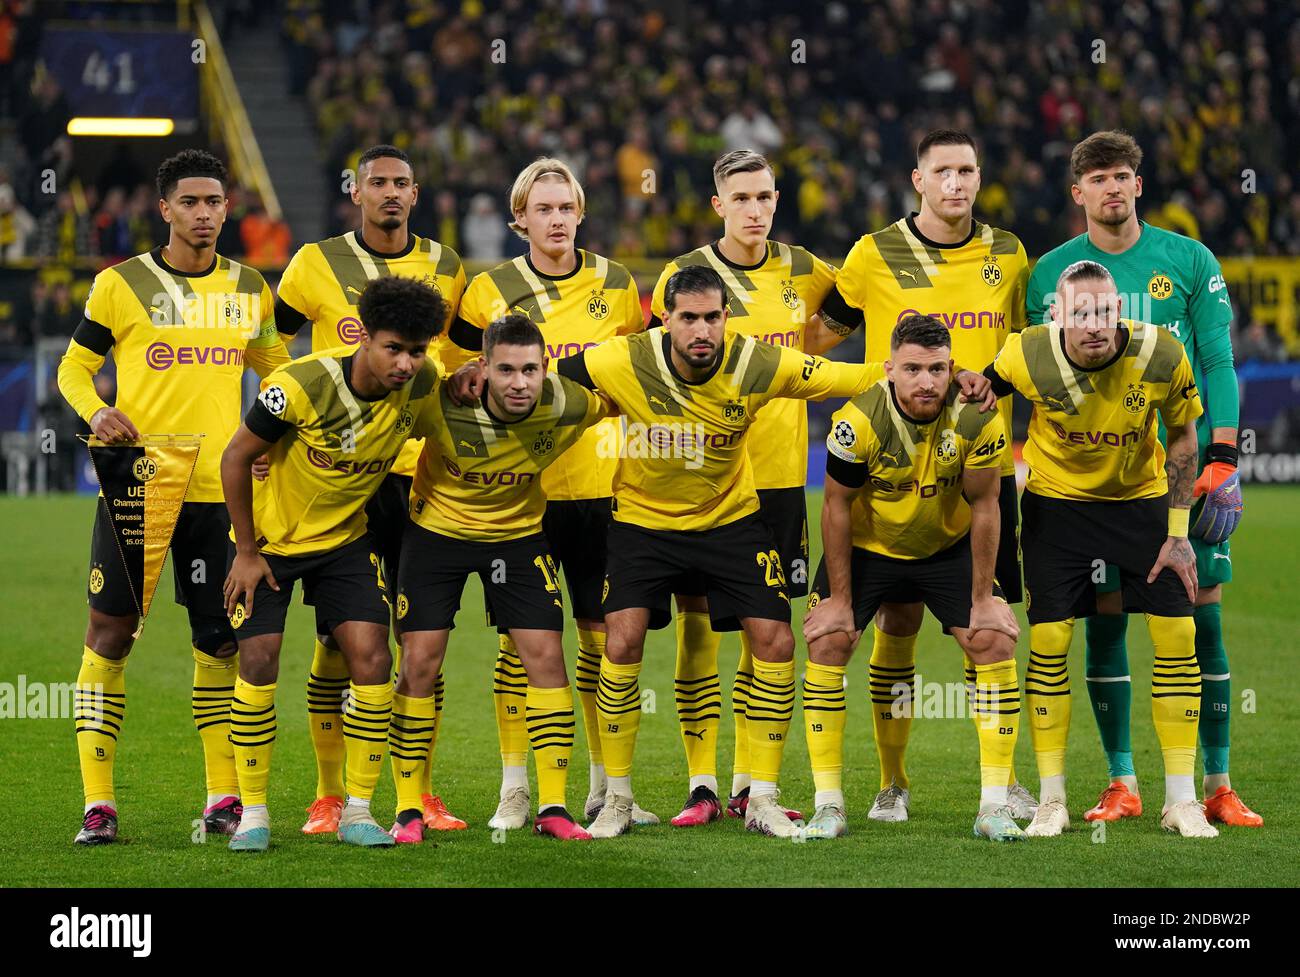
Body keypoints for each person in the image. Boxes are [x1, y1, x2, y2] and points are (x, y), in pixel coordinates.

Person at [553, 264, 881, 839]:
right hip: (642, 524)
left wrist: (923, 373)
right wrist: (481, 378)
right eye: (688, 318)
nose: (701, 330)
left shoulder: (756, 361)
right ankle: (618, 800)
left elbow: (841, 376)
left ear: (727, 317)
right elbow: (548, 378)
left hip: (730, 521)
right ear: (665, 319)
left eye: (711, 317)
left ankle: (763, 799)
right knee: (621, 641)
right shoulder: (622, 358)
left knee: (776, 641)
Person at [803, 129, 1037, 825]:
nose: (956, 183)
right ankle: (889, 783)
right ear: (919, 180)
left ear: (980, 176)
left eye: (967, 169)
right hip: (887, 467)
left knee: (988, 623)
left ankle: (1003, 784)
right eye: (943, 172)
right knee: (896, 622)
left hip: (975, 458)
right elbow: (820, 333)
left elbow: (1026, 345)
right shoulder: (872, 253)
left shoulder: (1009, 253)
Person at [57, 150, 290, 845]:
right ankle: (99, 804)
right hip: (139, 483)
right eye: (189, 201)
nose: (204, 213)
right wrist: (96, 412)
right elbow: (74, 369)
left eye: (214, 201)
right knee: (110, 633)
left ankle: (223, 796)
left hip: (222, 492)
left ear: (227, 208)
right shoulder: (120, 284)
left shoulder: (250, 287)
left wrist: (281, 435)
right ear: (164, 209)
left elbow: (280, 373)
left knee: (218, 639)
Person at [1026, 131, 1257, 827]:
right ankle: (1121, 781)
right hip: (1096, 484)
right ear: (1079, 193)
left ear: (1138, 184)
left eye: (1122, 175)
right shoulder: (1052, 272)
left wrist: (1223, 457)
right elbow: (1036, 369)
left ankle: (1216, 783)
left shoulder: (1188, 259)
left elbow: (1218, 360)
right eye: (1099, 178)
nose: (1113, 188)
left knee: (1199, 613)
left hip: (1180, 477)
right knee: (1104, 621)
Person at [969, 259, 1218, 838]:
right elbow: (981, 389)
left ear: (1120, 310)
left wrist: (1178, 532)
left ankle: (1181, 801)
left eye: (1104, 310)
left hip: (1141, 506)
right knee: (1050, 641)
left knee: (1178, 635)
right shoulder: (1026, 352)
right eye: (1080, 313)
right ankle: (1051, 800)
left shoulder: (1160, 353)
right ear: (1056, 316)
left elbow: (1184, 435)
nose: (1094, 324)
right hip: (1058, 510)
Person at [440, 157, 648, 830]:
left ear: (580, 214)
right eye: (543, 209)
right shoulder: (487, 291)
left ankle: (603, 788)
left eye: (566, 208)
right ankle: (515, 787)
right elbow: (459, 372)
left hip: (599, 488)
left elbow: (635, 372)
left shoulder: (616, 284)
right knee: (519, 642)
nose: (556, 220)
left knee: (601, 639)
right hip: (520, 492)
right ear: (519, 219)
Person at [275, 144, 468, 835]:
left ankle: (419, 792)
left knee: (421, 640)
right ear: (355, 191)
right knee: (339, 640)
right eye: (377, 182)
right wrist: (282, 431)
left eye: (401, 183)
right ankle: (330, 795)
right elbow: (271, 346)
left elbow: (457, 358)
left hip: (421, 479)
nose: (390, 192)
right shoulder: (313, 263)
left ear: (415, 193)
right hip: (343, 483)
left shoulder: (447, 265)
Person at [220, 275, 447, 852]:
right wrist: (245, 552)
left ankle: (359, 811)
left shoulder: (424, 383)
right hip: (269, 542)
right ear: (363, 337)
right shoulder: (300, 385)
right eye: (393, 348)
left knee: (373, 657)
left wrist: (470, 378)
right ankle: (253, 814)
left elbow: (459, 404)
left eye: (416, 351)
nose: (405, 363)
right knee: (259, 660)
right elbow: (236, 457)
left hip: (346, 542)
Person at [647, 149, 837, 826]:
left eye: (764, 197)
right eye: (741, 198)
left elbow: (834, 325)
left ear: (777, 200)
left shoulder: (806, 270)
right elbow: (658, 369)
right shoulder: (684, 276)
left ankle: (753, 786)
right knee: (698, 626)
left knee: (769, 632)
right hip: (703, 480)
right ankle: (700, 784)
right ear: (718, 204)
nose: (755, 210)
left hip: (781, 479)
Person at [801, 314, 1023, 841]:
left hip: (946, 546)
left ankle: (994, 806)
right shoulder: (857, 420)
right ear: (890, 370)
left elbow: (986, 505)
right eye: (913, 369)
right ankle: (836, 803)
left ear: (952, 368)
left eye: (937, 369)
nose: (926, 381)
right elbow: (836, 507)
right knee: (830, 641)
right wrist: (838, 600)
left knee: (992, 639)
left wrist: (982, 598)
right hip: (870, 547)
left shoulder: (977, 416)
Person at [393, 314, 614, 842]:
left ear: (546, 369)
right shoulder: (440, 401)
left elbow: (632, 399)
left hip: (517, 539)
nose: (519, 383)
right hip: (436, 538)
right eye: (507, 370)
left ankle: (553, 807)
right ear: (483, 368)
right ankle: (407, 809)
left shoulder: (570, 403)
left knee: (546, 659)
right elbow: (378, 421)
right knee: (419, 662)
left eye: (530, 370)